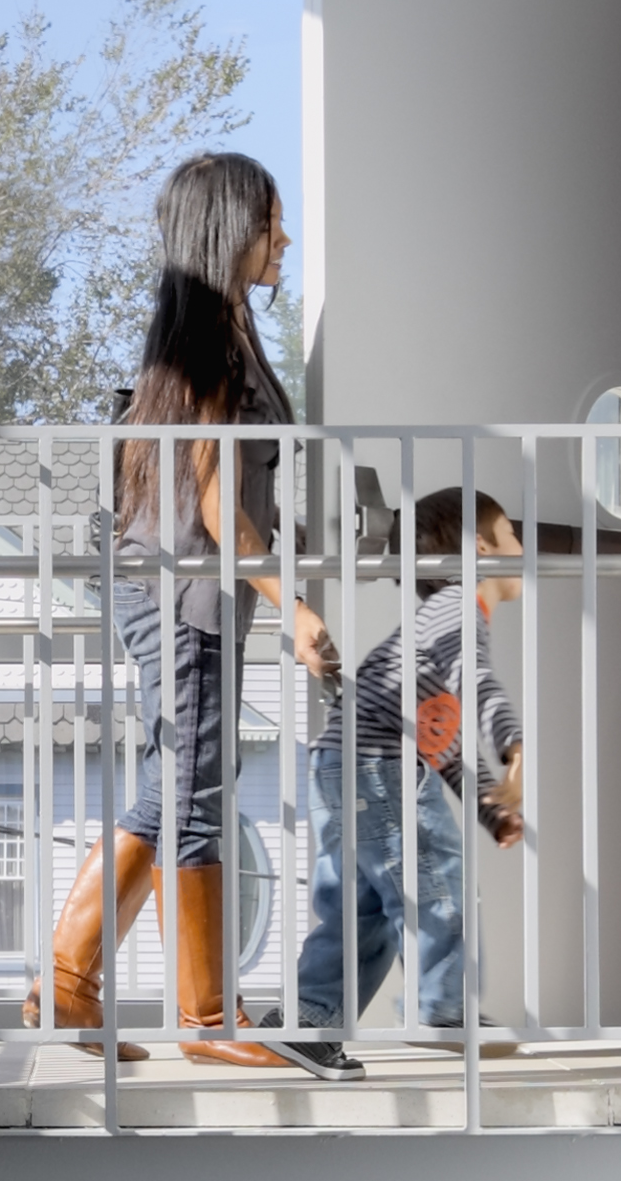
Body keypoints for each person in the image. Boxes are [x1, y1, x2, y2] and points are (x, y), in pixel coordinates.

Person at [30, 150, 339, 1069]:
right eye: (271, 222)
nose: (284, 238)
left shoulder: (215, 332)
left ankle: (67, 984)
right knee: (196, 794)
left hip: (177, 588)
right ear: (229, 230)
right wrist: (295, 606)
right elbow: (215, 506)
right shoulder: (206, 339)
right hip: (185, 592)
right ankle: (210, 1023)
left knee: (170, 791)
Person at [290, 487, 526, 1063]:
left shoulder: (432, 623)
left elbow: (436, 743)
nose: (523, 548)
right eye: (512, 535)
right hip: (374, 767)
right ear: (480, 548)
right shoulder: (457, 612)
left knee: (363, 911)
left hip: (345, 764)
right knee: (435, 881)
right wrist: (515, 749)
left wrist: (487, 807)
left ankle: (308, 1021)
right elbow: (478, 682)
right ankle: (441, 1007)